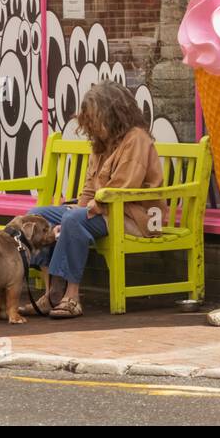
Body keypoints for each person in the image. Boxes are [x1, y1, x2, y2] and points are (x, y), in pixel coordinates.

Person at [22, 81, 165, 318]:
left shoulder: (136, 139)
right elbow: (89, 187)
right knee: (38, 216)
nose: (92, 124)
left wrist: (81, 213)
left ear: (114, 113)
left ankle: (72, 296)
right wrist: (75, 211)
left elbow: (124, 186)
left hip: (133, 216)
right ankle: (52, 292)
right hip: (104, 211)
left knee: (75, 220)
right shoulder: (102, 143)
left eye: (96, 117)